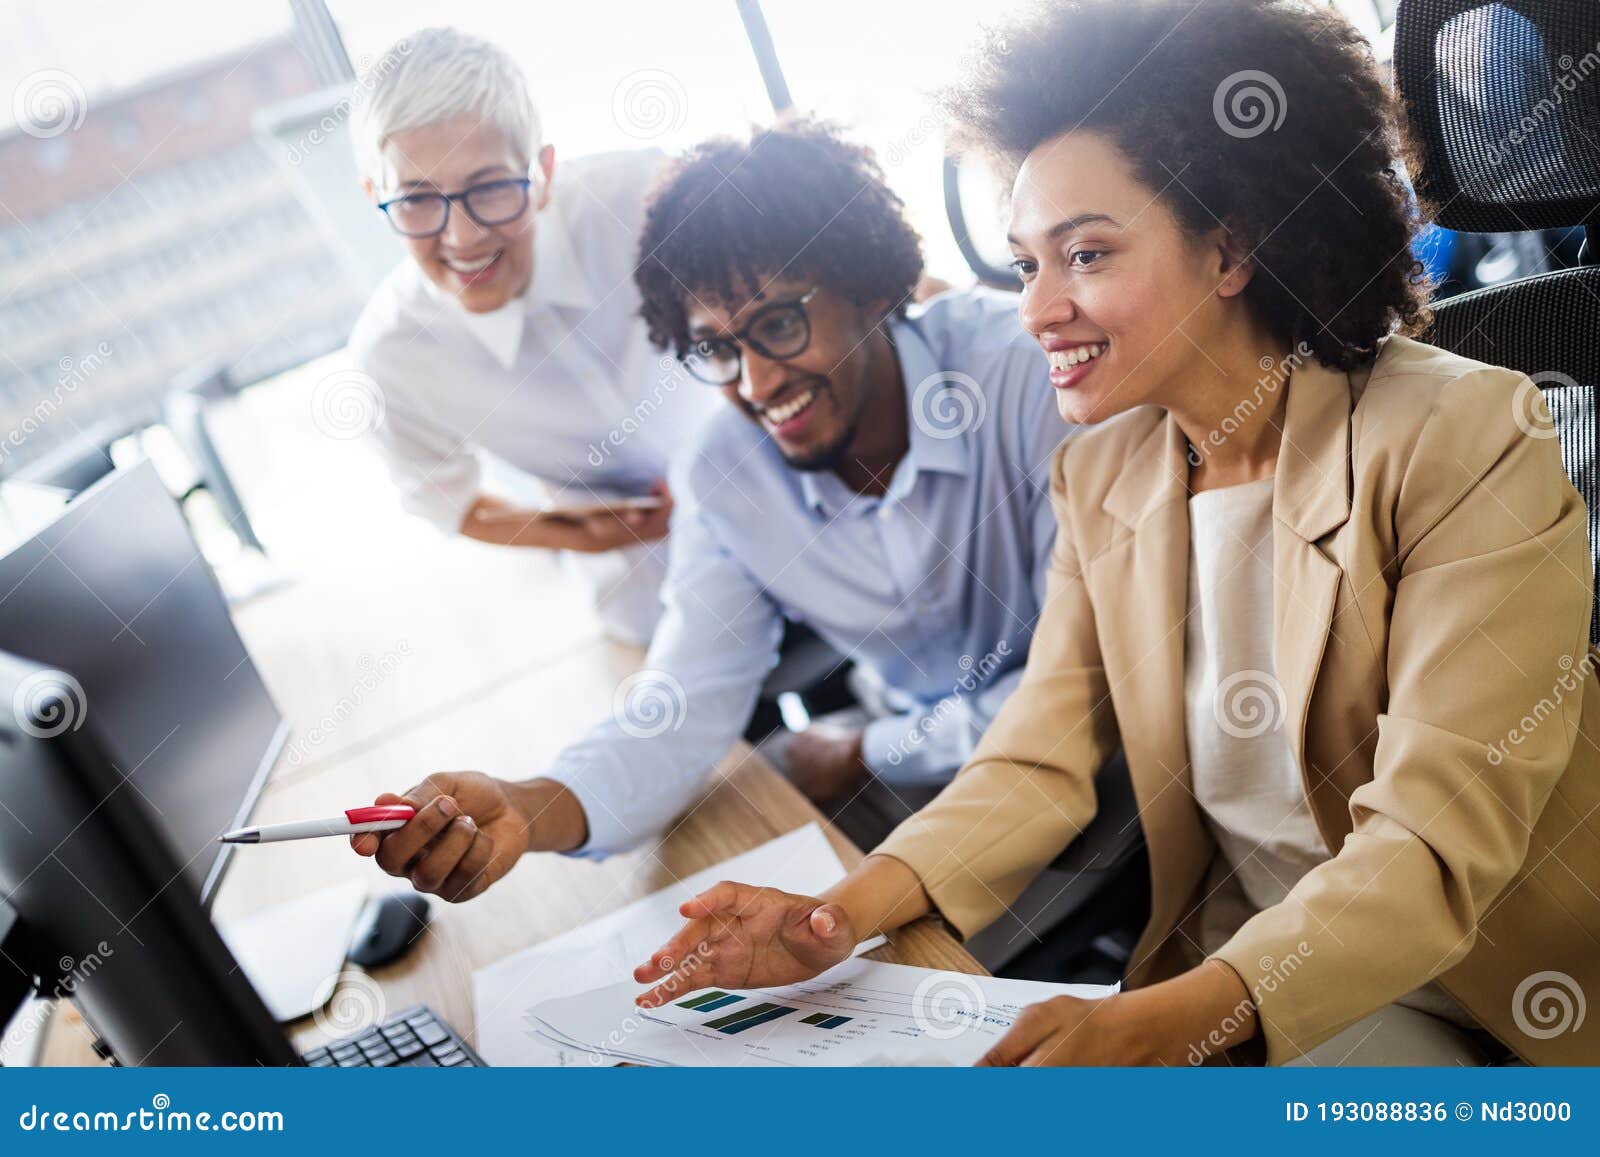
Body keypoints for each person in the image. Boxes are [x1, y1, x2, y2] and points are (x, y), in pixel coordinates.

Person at [632, 0, 1600, 1066]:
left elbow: (1429, 847)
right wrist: (831, 915)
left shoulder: (1460, 433)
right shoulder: (1102, 472)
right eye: (1025, 264)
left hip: (1475, 984)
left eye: (1084, 254)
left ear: (1230, 247)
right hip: (1248, 972)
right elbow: (1032, 762)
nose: (1038, 309)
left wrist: (1163, 1021)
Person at [351, 121, 1076, 912]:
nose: (757, 382)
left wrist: (871, 749)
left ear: (867, 284)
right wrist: (528, 804)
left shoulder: (1023, 376)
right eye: (718, 349)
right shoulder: (728, 470)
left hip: (1100, 775)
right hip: (940, 779)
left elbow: (1088, 687)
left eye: (778, 325)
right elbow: (682, 700)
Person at [346, 27, 717, 643]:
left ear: (542, 171)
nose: (461, 239)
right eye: (415, 200)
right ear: (374, 195)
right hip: (649, 598)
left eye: (490, 187)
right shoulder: (393, 356)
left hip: (804, 505)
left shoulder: (642, 197)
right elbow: (450, 502)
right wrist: (589, 531)